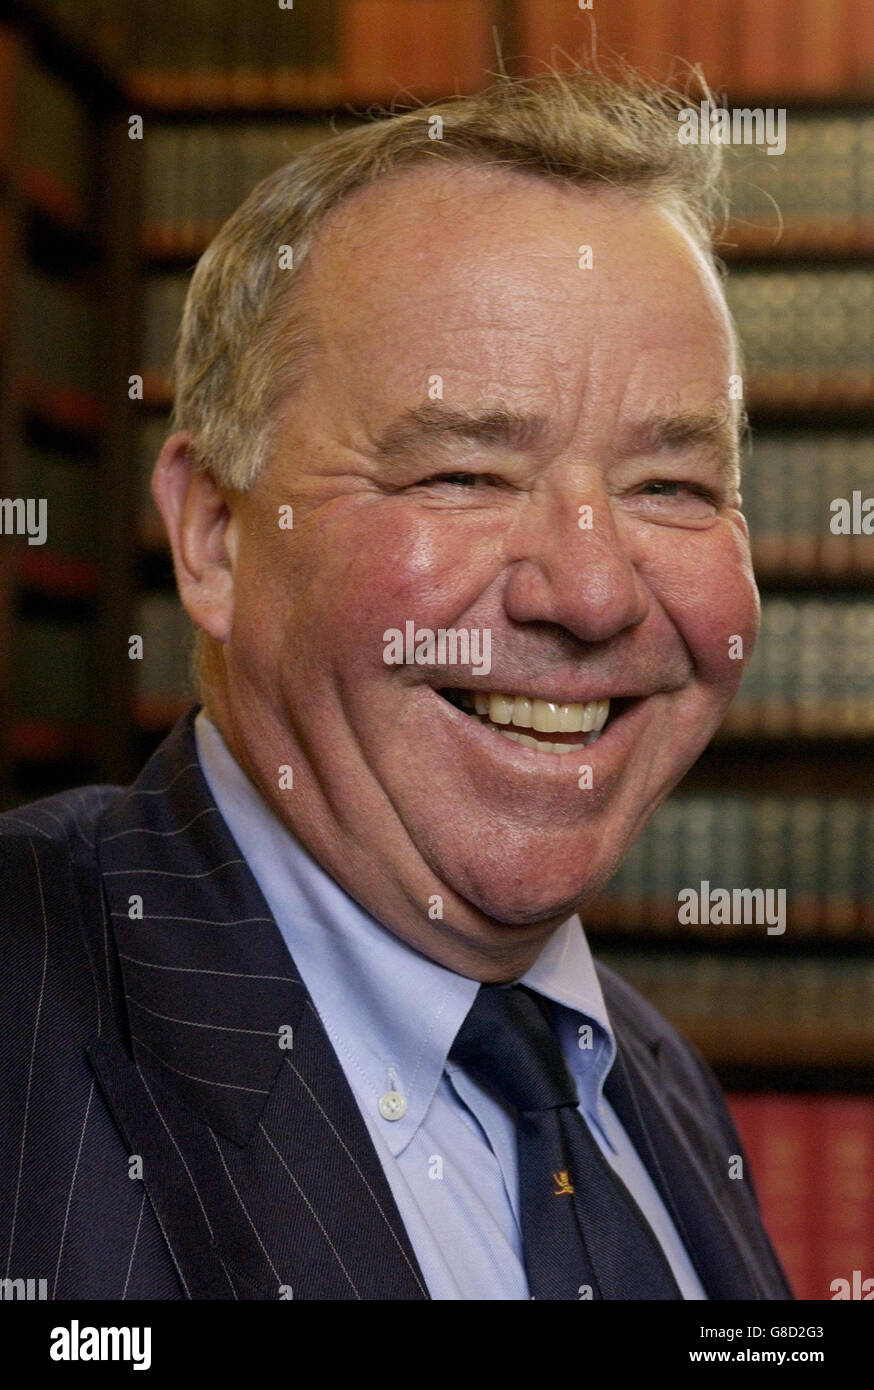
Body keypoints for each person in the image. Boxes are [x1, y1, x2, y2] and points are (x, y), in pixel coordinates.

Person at [0, 69, 791, 1300]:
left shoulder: (651, 1081)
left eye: (671, 491)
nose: (589, 594)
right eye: (463, 474)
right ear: (215, 533)